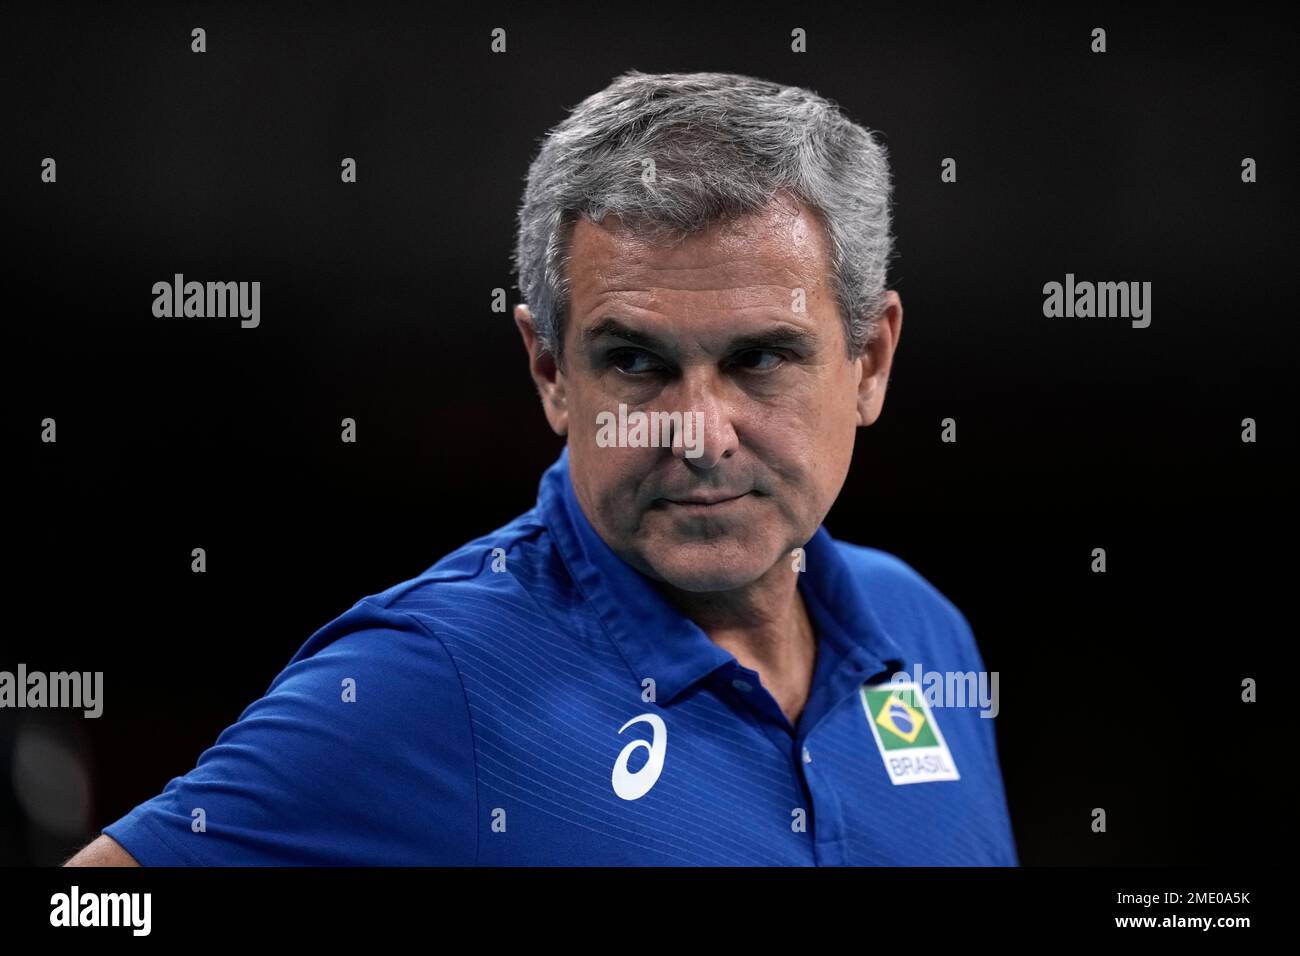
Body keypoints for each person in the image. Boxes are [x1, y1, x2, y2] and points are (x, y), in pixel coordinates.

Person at [67, 70, 1017, 866]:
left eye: (759, 359)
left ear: (871, 361)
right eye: (635, 363)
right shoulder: (431, 678)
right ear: (552, 371)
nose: (700, 432)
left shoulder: (923, 632)